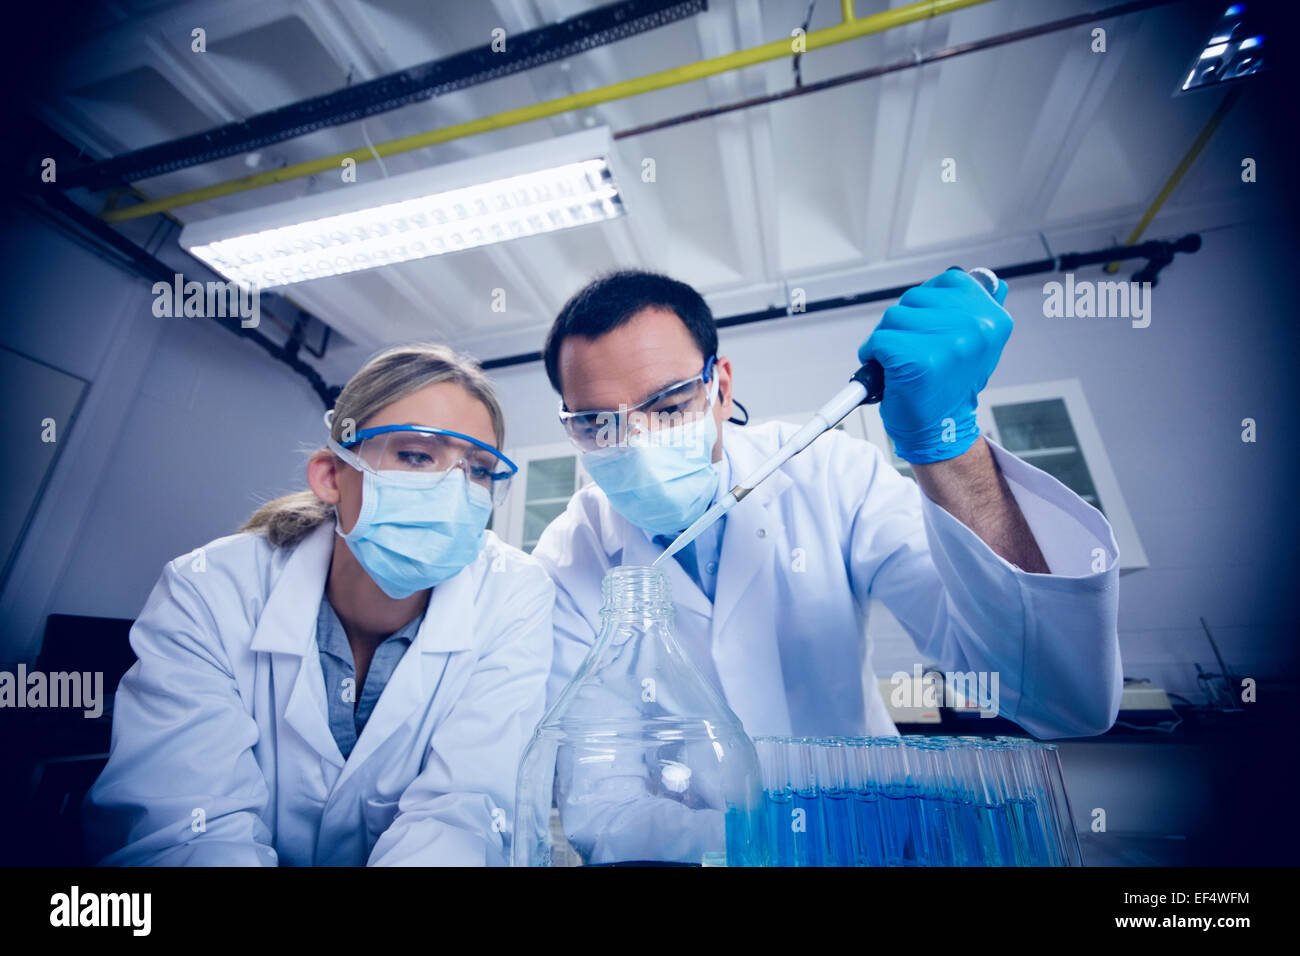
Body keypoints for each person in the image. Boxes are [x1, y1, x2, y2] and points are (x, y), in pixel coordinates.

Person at [532, 269, 1122, 741]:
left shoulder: (829, 472)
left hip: (862, 835)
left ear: (721, 387)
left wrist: (949, 446)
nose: (635, 443)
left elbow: (1057, 698)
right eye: (595, 424)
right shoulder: (568, 552)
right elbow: (596, 780)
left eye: (666, 406)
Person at [83, 343, 554, 865]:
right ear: (332, 475)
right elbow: (188, 830)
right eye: (417, 455)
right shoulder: (211, 588)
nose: (455, 489)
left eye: (480, 470)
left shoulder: (513, 592)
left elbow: (464, 814)